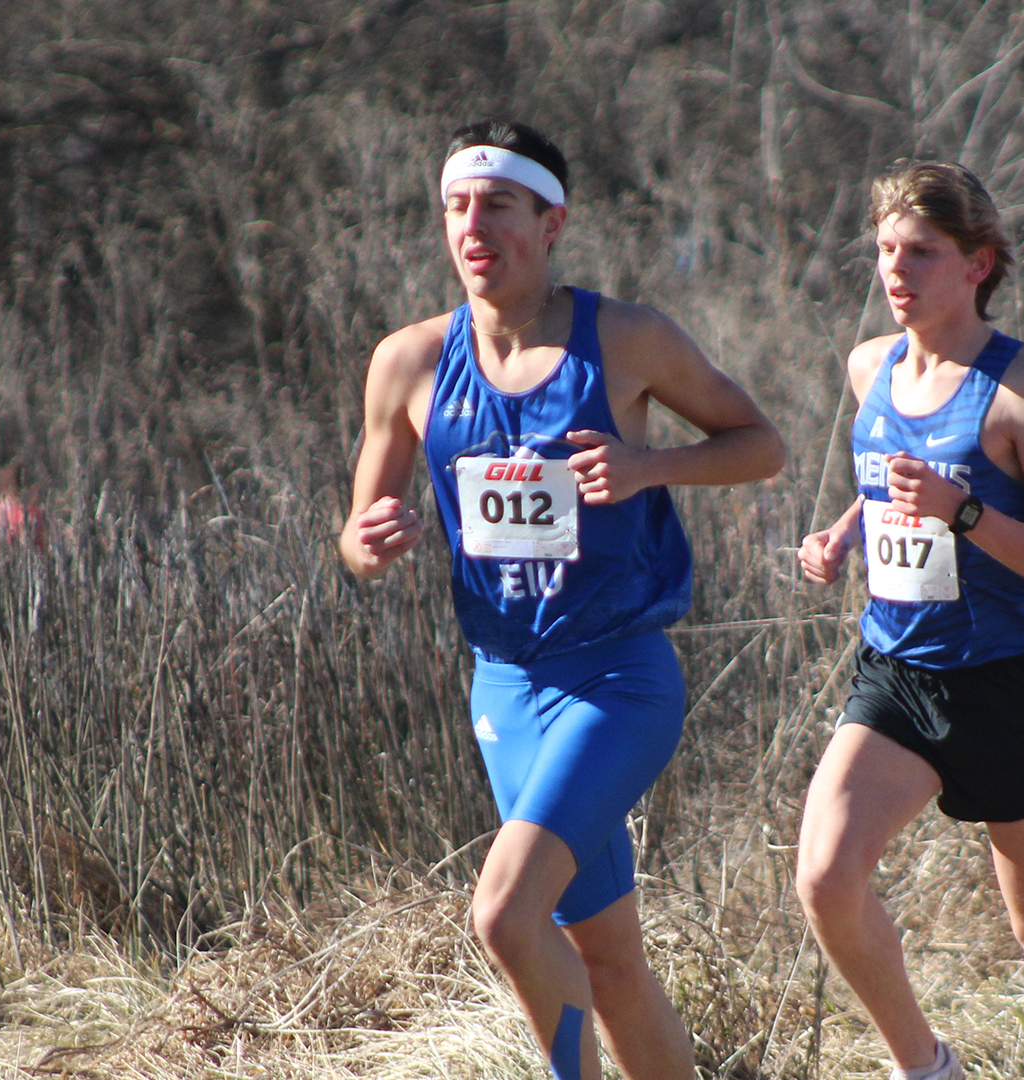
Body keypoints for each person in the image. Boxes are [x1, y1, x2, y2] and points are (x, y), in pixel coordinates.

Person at [338, 121, 785, 1080]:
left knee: (505, 913)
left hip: (619, 681)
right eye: (458, 205)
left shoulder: (626, 339)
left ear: (552, 224)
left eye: (499, 204)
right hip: (504, 689)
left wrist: (647, 466)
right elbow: (357, 533)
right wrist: (368, 545)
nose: (474, 225)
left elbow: (760, 444)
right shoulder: (409, 361)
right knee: (610, 963)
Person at [794, 161, 1024, 1080]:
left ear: (979, 263)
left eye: (922, 253)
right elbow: (889, 483)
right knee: (824, 879)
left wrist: (967, 515)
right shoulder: (871, 366)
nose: (896, 272)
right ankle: (926, 1066)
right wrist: (841, 532)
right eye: (884, 252)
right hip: (898, 674)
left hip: (1008, 685)